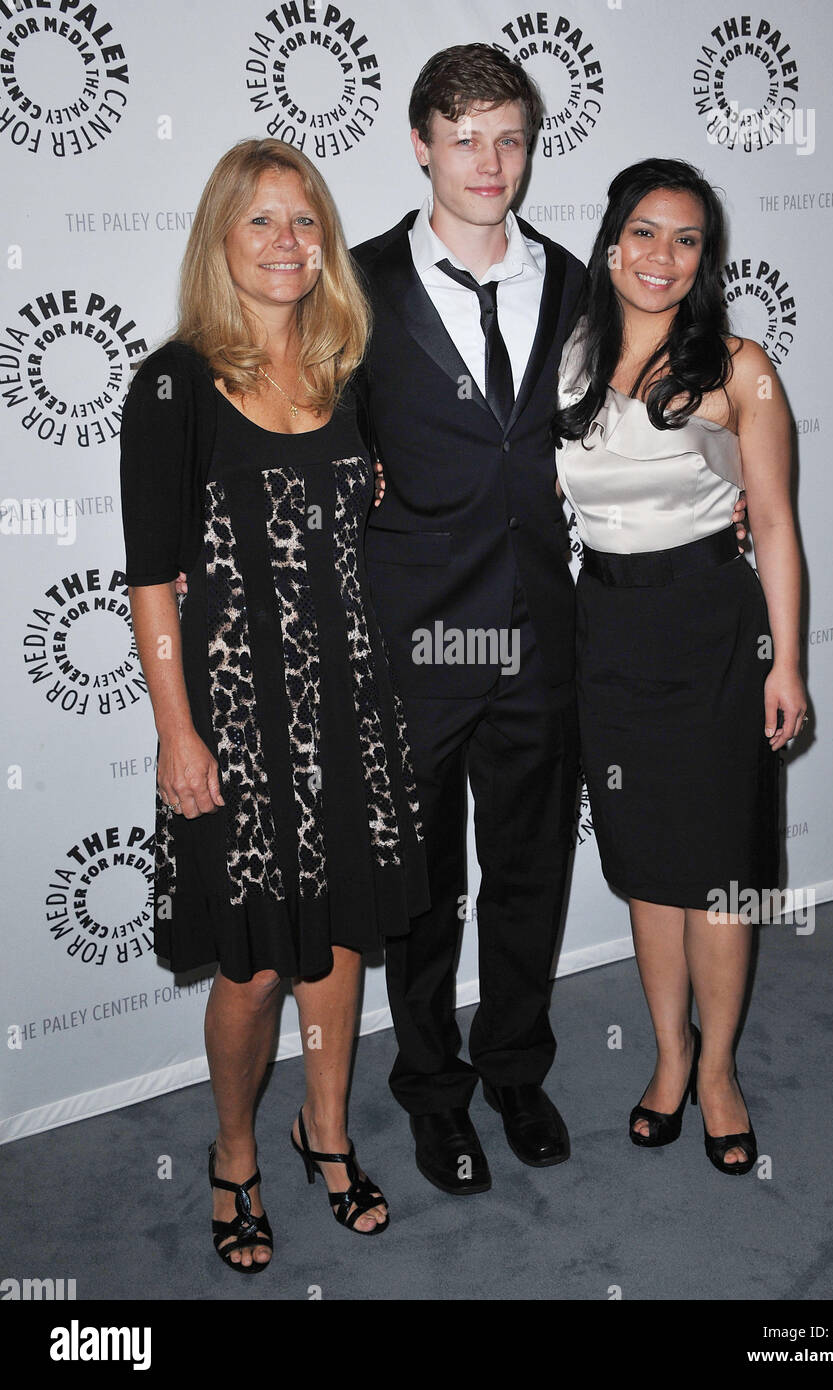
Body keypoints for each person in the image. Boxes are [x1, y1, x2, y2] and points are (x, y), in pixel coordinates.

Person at [120, 138, 428, 1269]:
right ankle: (237, 1151)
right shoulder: (171, 383)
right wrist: (175, 732)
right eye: (261, 220)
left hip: (352, 705)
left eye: (305, 221)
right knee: (251, 970)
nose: (288, 241)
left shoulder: (347, 372)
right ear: (220, 238)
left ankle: (328, 1130)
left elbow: (393, 499)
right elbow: (152, 577)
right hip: (233, 723)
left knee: (340, 943)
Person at [349, 44, 588, 1192]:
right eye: (464, 139)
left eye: (509, 138)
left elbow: (645, 415)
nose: (490, 163)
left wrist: (727, 484)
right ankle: (433, 1092)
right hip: (419, 647)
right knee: (423, 887)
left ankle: (514, 1067)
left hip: (540, 635)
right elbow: (302, 436)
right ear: (420, 147)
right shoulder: (355, 288)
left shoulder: (576, 282)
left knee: (530, 871)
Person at [554, 158, 808, 1174]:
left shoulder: (737, 366)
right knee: (647, 870)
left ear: (705, 258)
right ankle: (667, 1057)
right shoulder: (561, 357)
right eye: (645, 233)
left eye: (687, 239)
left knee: (719, 876)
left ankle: (716, 1074)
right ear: (612, 241)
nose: (663, 257)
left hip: (713, 632)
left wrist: (783, 662)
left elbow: (777, 526)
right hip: (604, 632)